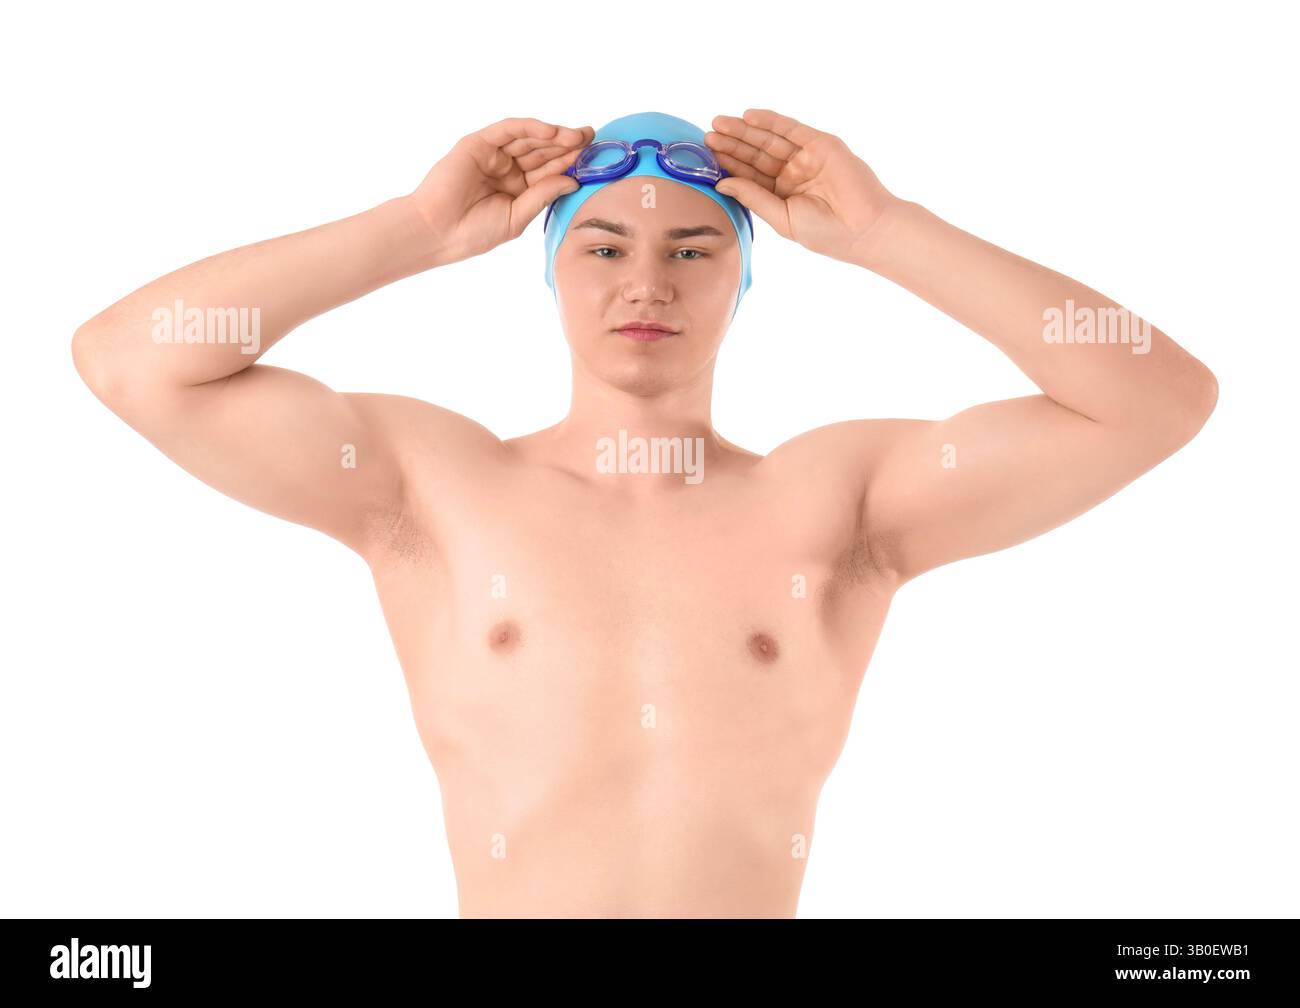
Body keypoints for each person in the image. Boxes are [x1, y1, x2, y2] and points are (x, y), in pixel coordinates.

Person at [70, 109, 1218, 918]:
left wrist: (886, 232)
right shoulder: (432, 487)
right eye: (605, 246)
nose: (646, 283)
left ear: (742, 280)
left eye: (693, 249)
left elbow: (1157, 401)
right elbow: (131, 361)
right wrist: (413, 231)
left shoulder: (837, 503)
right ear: (554, 270)